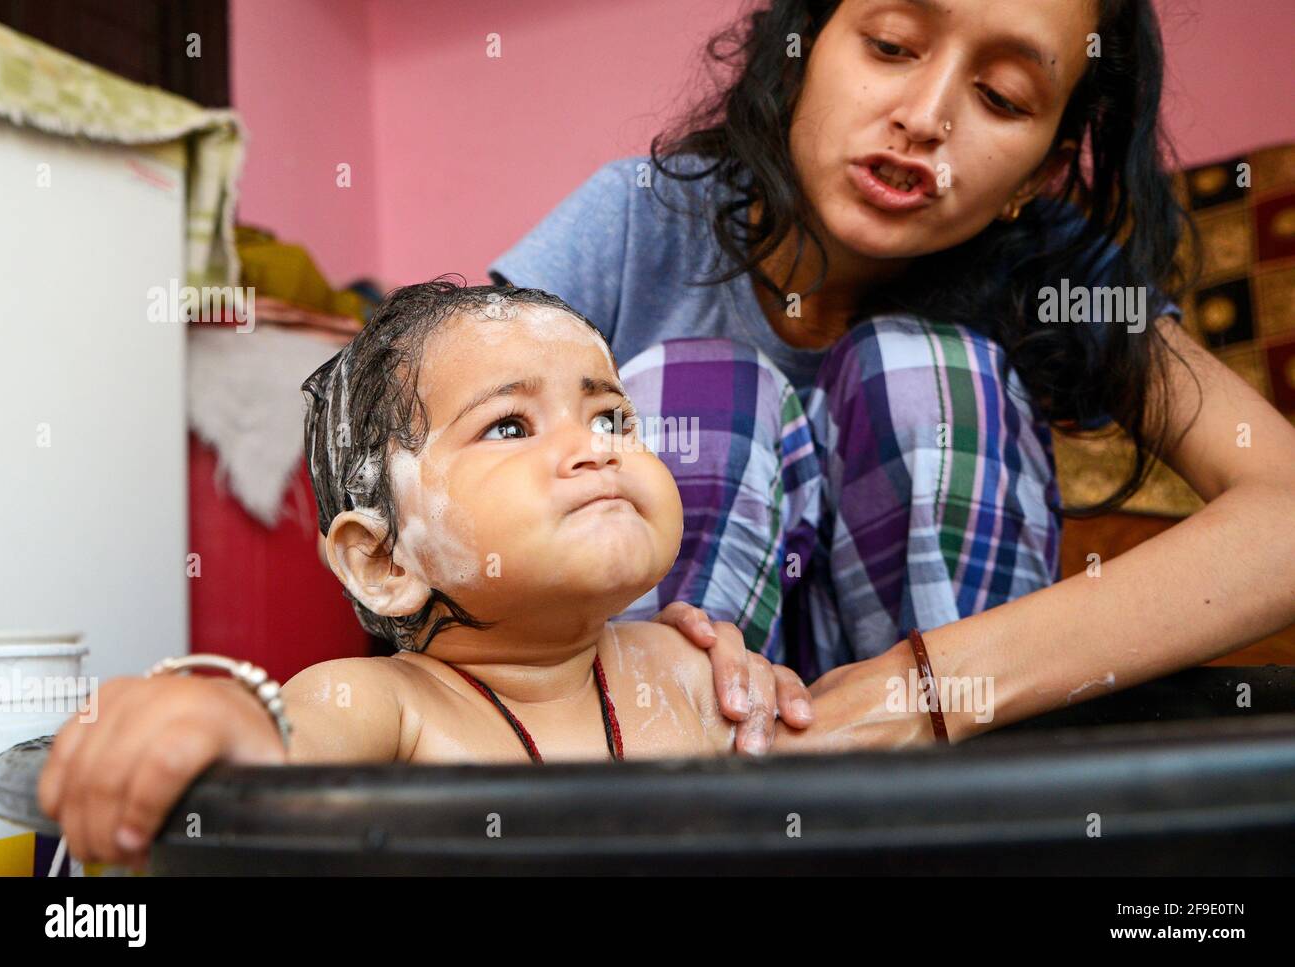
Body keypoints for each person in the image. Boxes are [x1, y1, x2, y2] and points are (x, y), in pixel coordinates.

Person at [487, 0, 1295, 754]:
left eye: (1004, 98)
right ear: (801, 51)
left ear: (1036, 176)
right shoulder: (638, 219)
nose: (925, 117)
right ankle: (641, 773)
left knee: (921, 372)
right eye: (891, 46)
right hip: (653, 746)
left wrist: (919, 693)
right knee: (701, 393)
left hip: (936, 754)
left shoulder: (1059, 274)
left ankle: (953, 812)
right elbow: (423, 446)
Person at [38, 280, 765, 871]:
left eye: (610, 418)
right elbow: (287, 739)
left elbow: (846, 774)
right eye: (510, 425)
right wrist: (219, 722)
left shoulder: (690, 671)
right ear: (385, 561)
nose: (594, 448)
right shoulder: (386, 705)